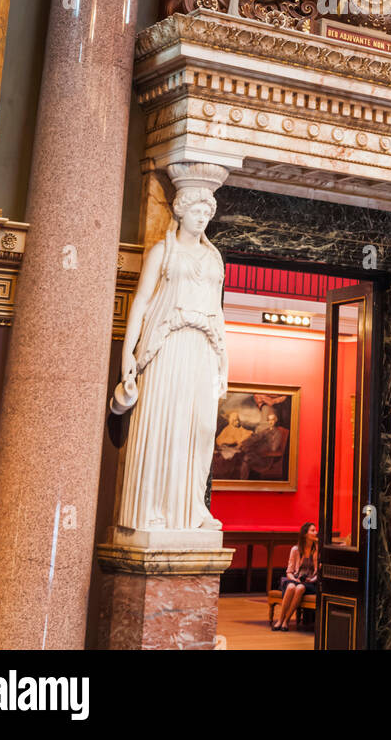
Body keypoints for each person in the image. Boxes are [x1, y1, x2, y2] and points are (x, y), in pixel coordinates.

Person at [116, 186, 227, 533]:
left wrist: (225, 360)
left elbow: (218, 311)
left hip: (204, 347)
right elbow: (142, 302)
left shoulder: (213, 259)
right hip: (169, 344)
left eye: (207, 214)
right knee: (168, 423)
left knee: (203, 427)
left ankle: (193, 509)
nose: (202, 219)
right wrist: (127, 354)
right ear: (181, 212)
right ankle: (154, 507)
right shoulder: (163, 252)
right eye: (197, 212)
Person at [273, 522, 318, 631]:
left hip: (310, 582)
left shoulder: (317, 550)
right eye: (312, 530)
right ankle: (280, 620)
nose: (315, 532)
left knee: (300, 588)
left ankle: (286, 621)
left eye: (315, 530)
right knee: (292, 587)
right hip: (294, 579)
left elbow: (318, 573)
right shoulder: (295, 550)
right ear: (305, 534)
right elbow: (289, 571)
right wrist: (295, 579)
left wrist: (311, 579)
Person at [244, 409, 289, 480]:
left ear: (275, 421)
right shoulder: (266, 430)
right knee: (246, 454)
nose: (271, 422)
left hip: (267, 458)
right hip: (258, 453)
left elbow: (274, 448)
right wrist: (247, 441)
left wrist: (264, 441)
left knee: (247, 459)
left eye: (272, 420)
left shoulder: (277, 433)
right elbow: (257, 437)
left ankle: (245, 481)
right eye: (269, 420)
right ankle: (245, 481)